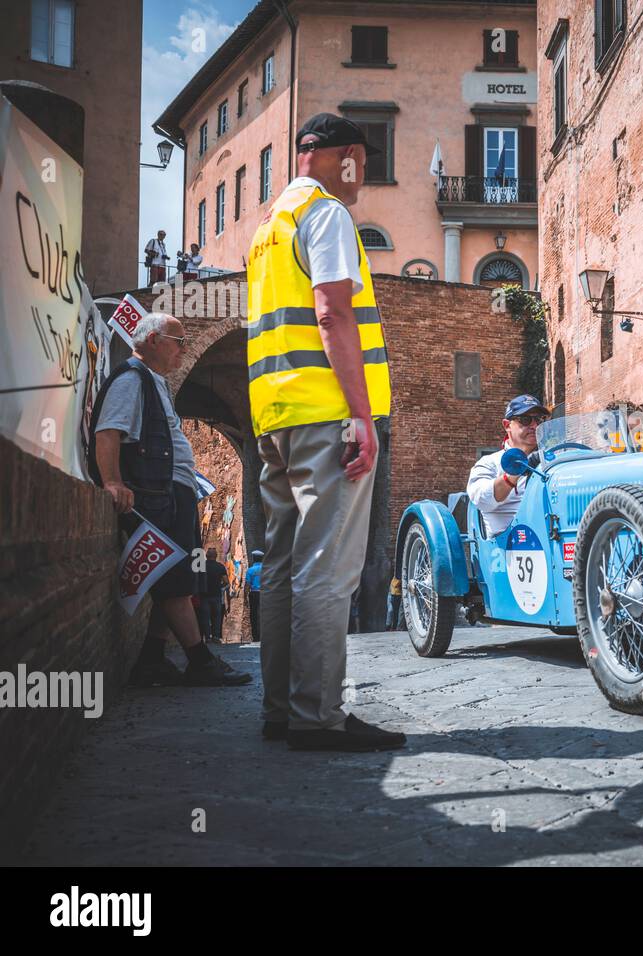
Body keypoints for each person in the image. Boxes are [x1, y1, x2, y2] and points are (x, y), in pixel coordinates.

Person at [246, 113, 403, 751]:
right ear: (341, 157)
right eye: (361, 164)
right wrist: (361, 416)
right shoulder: (328, 215)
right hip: (325, 415)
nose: (362, 178)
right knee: (326, 568)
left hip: (274, 418)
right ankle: (318, 717)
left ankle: (282, 709)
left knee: (282, 567)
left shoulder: (265, 231)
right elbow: (333, 311)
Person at [89, 313, 250, 687]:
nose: (184, 348)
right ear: (151, 341)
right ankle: (199, 660)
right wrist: (112, 482)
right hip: (155, 494)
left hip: (173, 493)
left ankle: (152, 657)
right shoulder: (132, 379)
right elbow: (108, 431)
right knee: (174, 576)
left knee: (179, 574)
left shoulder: (153, 382)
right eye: (178, 341)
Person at [467, 394, 549, 535]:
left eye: (539, 420)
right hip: (508, 546)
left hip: (552, 535)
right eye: (525, 419)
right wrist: (512, 475)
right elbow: (480, 500)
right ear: (507, 425)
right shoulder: (490, 463)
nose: (534, 426)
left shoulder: (551, 460)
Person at [200, 547, 229, 642]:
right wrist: (219, 586)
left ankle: (207, 637)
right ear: (216, 556)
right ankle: (216, 636)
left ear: (206, 556)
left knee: (205, 617)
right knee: (217, 617)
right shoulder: (220, 566)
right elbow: (226, 581)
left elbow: (197, 579)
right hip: (216, 595)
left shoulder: (202, 566)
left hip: (204, 595)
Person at [245, 549, 263, 642]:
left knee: (254, 614)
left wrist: (245, 597)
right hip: (264, 594)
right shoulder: (266, 569)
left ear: (253, 559)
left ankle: (255, 636)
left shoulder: (250, 570)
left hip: (254, 594)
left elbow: (247, 584)